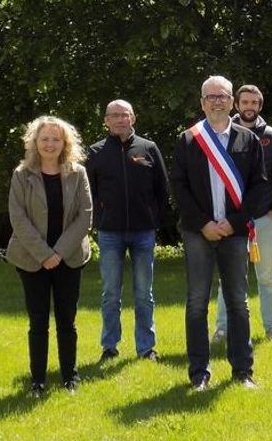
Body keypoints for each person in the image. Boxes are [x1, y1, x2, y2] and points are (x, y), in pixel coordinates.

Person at [169, 75, 269, 391]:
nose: (216, 101)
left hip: (235, 232)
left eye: (222, 96)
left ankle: (243, 372)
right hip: (198, 232)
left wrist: (234, 223)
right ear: (202, 102)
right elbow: (179, 188)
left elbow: (259, 186)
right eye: (210, 96)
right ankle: (199, 373)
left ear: (231, 101)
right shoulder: (188, 140)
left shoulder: (248, 140)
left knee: (238, 301)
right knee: (197, 302)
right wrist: (203, 224)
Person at [6, 116, 93, 395]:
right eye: (44, 139)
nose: (50, 144)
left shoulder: (78, 173)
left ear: (65, 142)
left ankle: (71, 377)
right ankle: (38, 381)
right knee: (38, 321)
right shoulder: (22, 174)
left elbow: (85, 216)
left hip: (69, 258)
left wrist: (58, 252)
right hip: (32, 259)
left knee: (67, 320)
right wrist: (44, 254)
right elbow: (17, 218)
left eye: (56, 139)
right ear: (35, 142)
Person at [86, 99, 168, 362]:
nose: (121, 119)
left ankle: (146, 348)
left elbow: (162, 189)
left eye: (125, 115)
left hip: (144, 232)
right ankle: (110, 347)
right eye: (115, 115)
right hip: (110, 233)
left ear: (133, 117)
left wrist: (155, 218)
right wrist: (100, 218)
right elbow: (88, 192)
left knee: (144, 294)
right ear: (106, 120)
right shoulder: (96, 152)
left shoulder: (148, 148)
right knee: (111, 294)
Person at [213, 84, 272, 343]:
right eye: (244, 102)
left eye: (254, 103)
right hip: (232, 220)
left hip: (264, 219)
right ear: (236, 104)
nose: (249, 107)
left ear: (260, 105)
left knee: (267, 278)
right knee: (228, 278)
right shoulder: (221, 135)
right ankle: (223, 329)